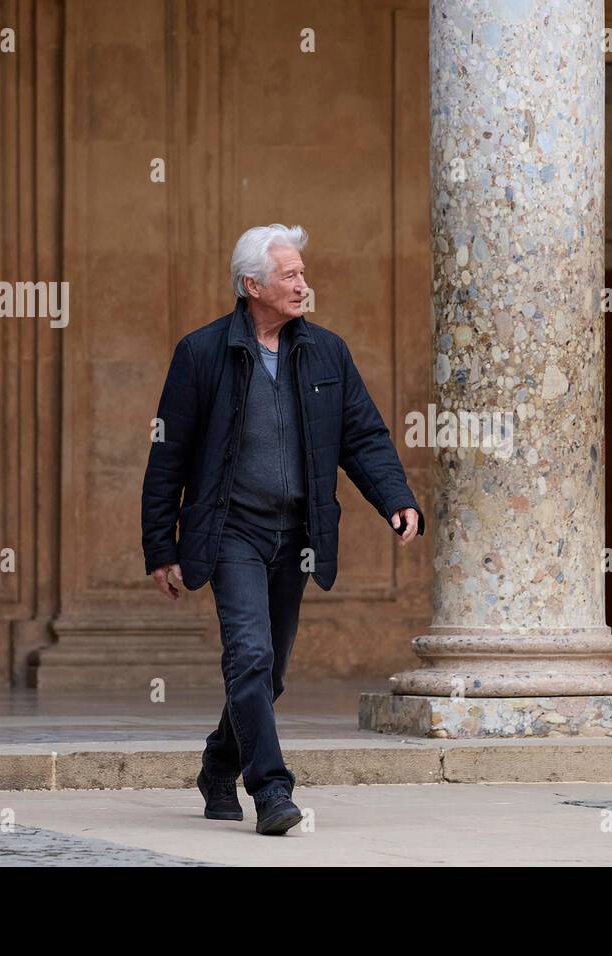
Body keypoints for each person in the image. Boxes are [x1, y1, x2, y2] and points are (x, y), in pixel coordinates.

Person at [141, 224, 424, 835]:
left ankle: (219, 765)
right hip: (230, 530)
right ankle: (271, 790)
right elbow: (168, 453)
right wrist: (161, 546)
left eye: (302, 273)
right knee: (250, 654)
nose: (304, 285)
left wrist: (396, 498)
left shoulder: (327, 351)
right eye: (290, 276)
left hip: (297, 535)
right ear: (252, 286)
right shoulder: (201, 352)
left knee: (270, 674)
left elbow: (364, 435)